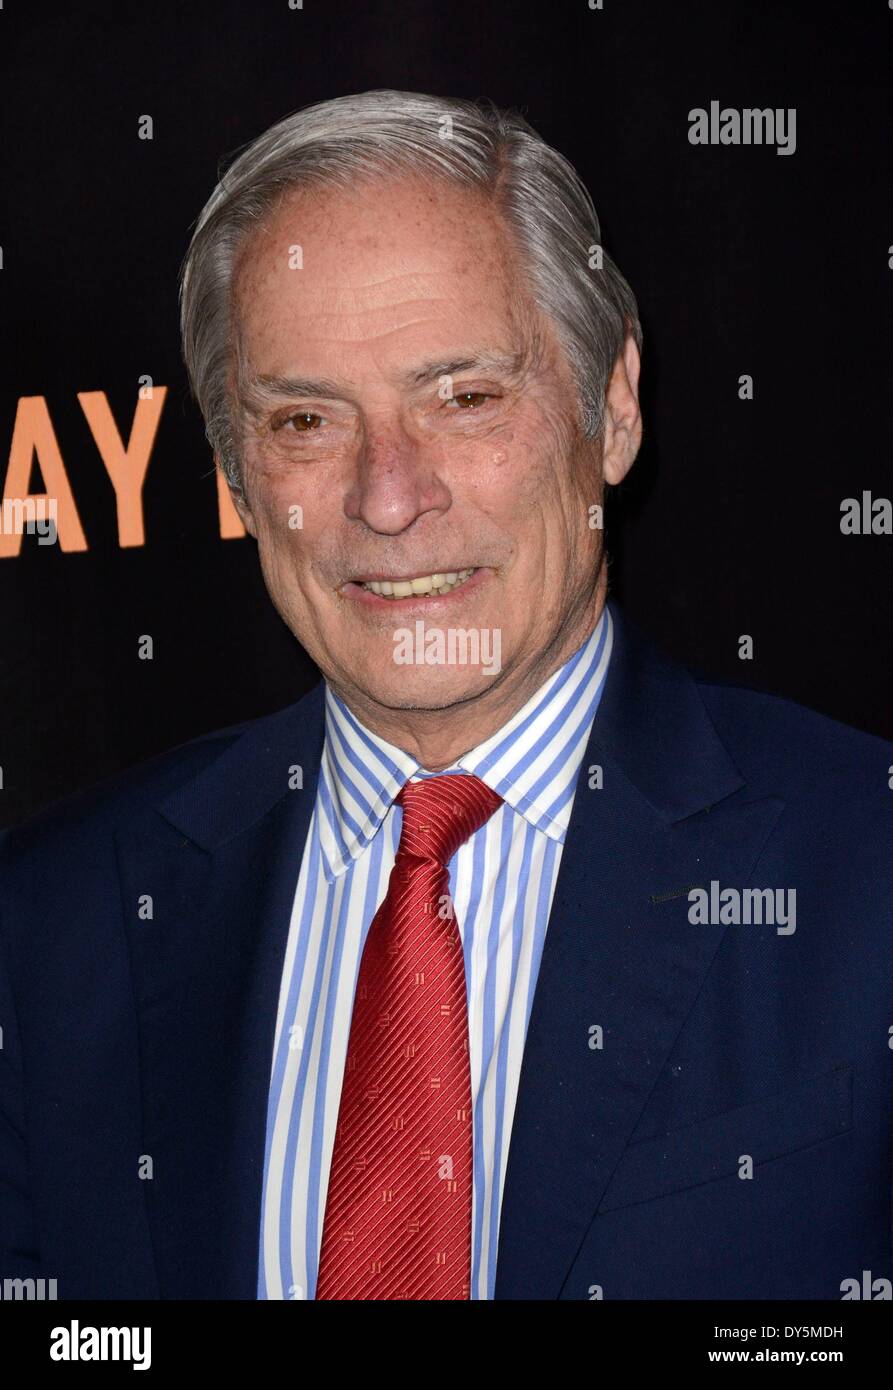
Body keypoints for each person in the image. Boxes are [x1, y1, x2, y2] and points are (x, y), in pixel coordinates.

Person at [1, 90, 891, 1302]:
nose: (386, 495)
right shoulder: (52, 926)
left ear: (610, 403)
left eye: (464, 396)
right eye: (305, 419)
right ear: (234, 470)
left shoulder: (861, 870)